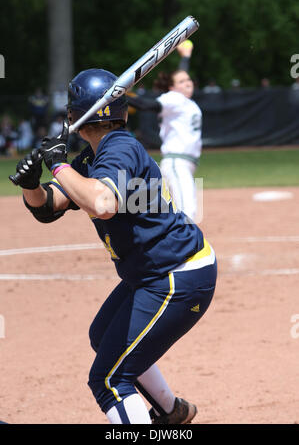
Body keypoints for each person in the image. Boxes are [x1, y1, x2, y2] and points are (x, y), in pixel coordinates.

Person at [13, 68, 217, 425]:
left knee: (108, 380)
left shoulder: (119, 148)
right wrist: (32, 185)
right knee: (103, 335)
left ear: (78, 116)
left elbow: (103, 203)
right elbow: (50, 206)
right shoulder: (95, 156)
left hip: (176, 277)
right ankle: (172, 412)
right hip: (155, 274)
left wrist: (58, 164)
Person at [127, 43, 202, 222]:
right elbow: (146, 105)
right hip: (177, 162)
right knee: (188, 212)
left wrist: (185, 57)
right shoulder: (174, 99)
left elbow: (179, 77)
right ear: (173, 88)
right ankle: (186, 248)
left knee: (176, 209)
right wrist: (121, 95)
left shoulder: (182, 100)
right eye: (182, 82)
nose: (187, 83)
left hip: (184, 163)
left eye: (188, 80)